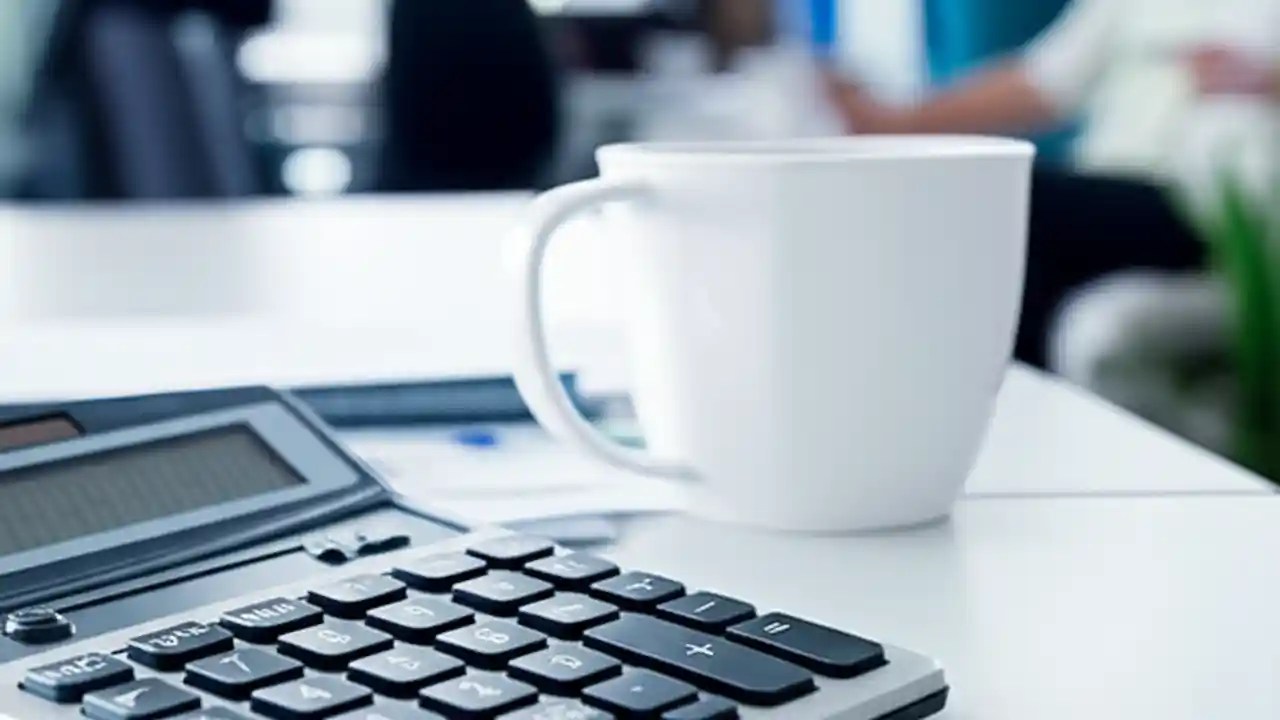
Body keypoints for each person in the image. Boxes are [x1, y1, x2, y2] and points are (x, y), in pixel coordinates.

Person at [826, 0, 1280, 367]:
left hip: (1210, 211)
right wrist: (890, 124)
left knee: (1014, 202)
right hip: (1111, 193)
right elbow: (1041, 82)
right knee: (981, 210)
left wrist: (1268, 79)